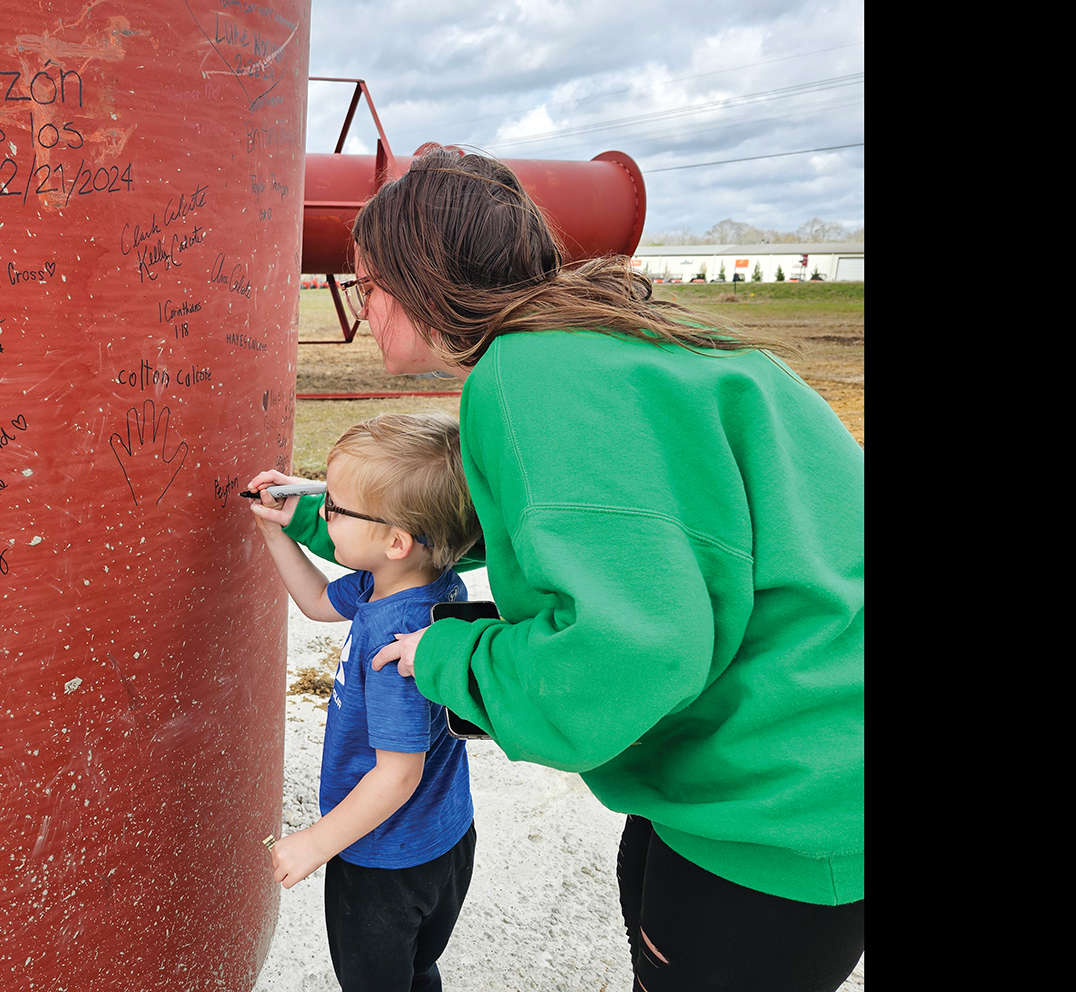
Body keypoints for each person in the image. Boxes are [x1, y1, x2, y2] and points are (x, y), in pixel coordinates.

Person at [269, 145, 864, 992]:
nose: (362, 312)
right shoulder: (615, 340)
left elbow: (629, 652)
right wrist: (309, 511)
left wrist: (451, 658)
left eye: (367, 286)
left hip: (782, 804)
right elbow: (572, 528)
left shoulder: (523, 377)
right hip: (794, 748)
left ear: (419, 280)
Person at [247, 412, 484, 992]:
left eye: (334, 506)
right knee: (415, 970)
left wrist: (315, 842)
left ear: (397, 540)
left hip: (383, 858)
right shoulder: (419, 584)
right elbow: (316, 602)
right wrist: (276, 532)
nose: (321, 513)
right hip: (447, 837)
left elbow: (398, 775)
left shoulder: (392, 645)